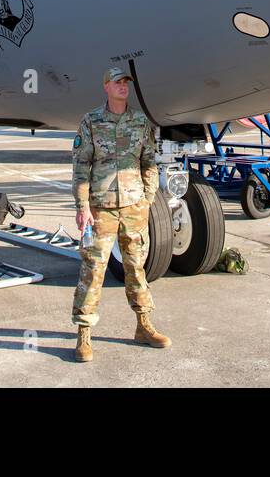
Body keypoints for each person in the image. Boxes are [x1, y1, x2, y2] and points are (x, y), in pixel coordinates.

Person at [70, 66, 170, 362]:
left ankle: (144, 326)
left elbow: (149, 161)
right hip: (100, 208)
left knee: (137, 267)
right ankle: (84, 334)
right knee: (93, 269)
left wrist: (149, 198)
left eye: (126, 82)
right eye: (118, 82)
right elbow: (81, 166)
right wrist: (82, 207)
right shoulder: (91, 121)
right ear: (106, 87)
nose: (124, 86)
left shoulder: (140, 121)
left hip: (134, 206)